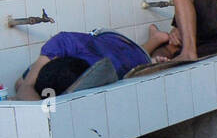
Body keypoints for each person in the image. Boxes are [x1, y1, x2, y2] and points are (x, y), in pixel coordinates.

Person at [13, 28, 174, 99]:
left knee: (143, 54)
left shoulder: (112, 69)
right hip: (104, 48)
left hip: (116, 40)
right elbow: (25, 86)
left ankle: (156, 39)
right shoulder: (60, 44)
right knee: (21, 84)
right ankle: (157, 38)